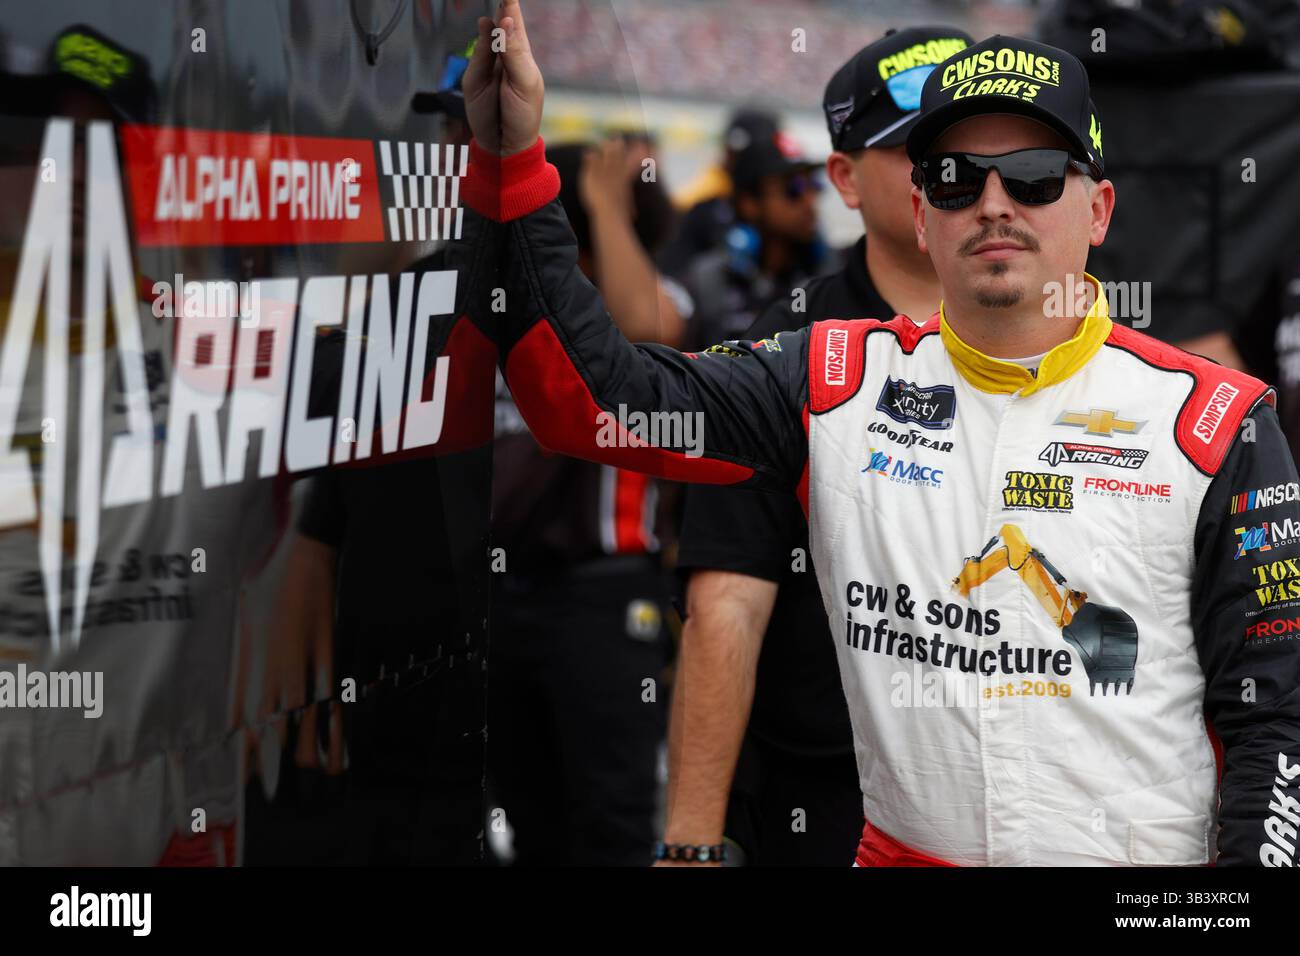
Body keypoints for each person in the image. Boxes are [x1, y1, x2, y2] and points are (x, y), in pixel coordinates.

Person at [458, 1, 1300, 867]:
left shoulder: (1218, 423)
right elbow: (592, 403)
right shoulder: (835, 383)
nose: (994, 204)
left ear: (1098, 210)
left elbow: (1277, 719)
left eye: (1037, 175)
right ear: (923, 210)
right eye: (955, 179)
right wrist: (513, 157)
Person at [666, 25, 973, 868]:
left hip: (1021, 781)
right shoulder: (789, 343)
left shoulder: (1074, 324)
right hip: (829, 793)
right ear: (843, 177)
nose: (954, 172)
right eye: (918, 146)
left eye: (974, 141)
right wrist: (690, 845)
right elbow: (728, 597)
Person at [488, 139, 681, 866]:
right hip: (504, 592)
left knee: (611, 819)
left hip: (605, 600)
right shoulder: (507, 313)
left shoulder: (646, 298)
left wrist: (603, 204)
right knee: (528, 814)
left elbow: (650, 328)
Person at [678, 129, 826, 350]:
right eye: (793, 188)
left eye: (813, 186)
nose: (809, 201)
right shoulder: (705, 282)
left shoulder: (829, 276)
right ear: (750, 203)